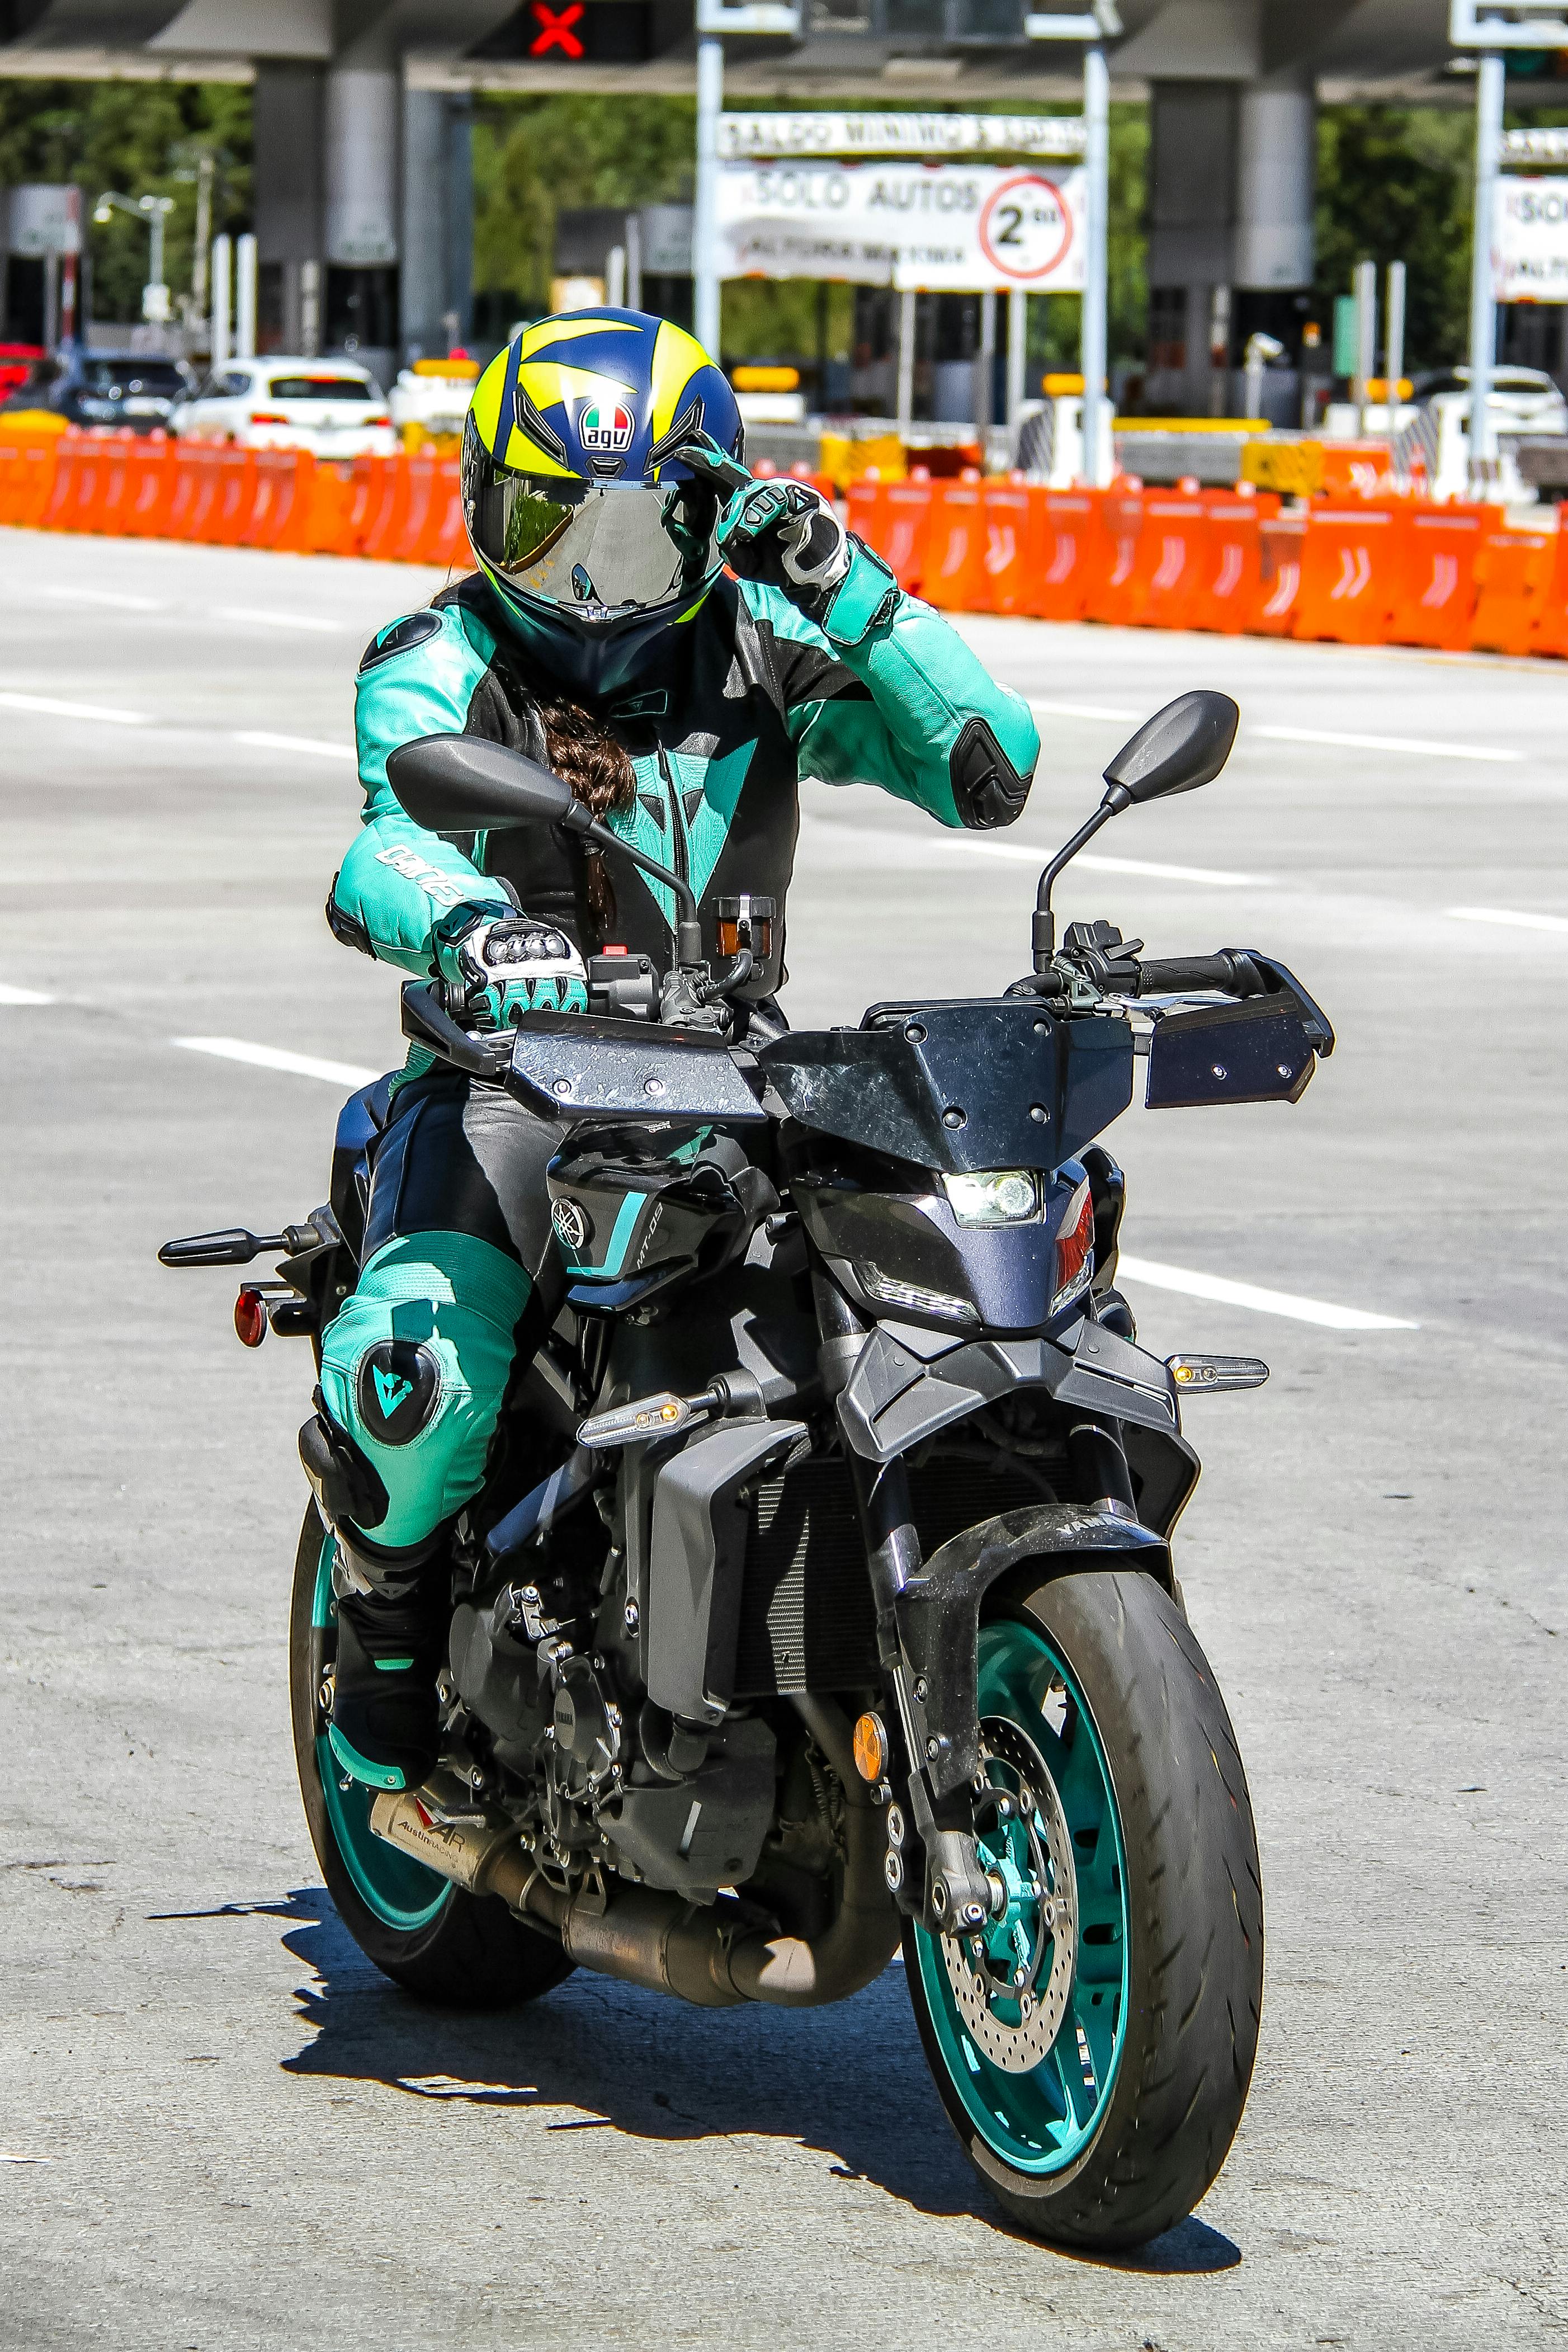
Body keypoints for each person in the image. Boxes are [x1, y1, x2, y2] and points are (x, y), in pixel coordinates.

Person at [304, 307, 1041, 1792]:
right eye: (546, 522)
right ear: (478, 501)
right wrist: (472, 927)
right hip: (516, 1077)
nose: (587, 581)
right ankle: (380, 1627)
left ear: (708, 521)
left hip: (743, 1072)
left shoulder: (759, 649)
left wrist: (845, 584)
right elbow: (384, 847)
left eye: (633, 535)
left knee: (959, 1284)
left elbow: (988, 769)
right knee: (422, 1358)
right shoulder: (438, 655)